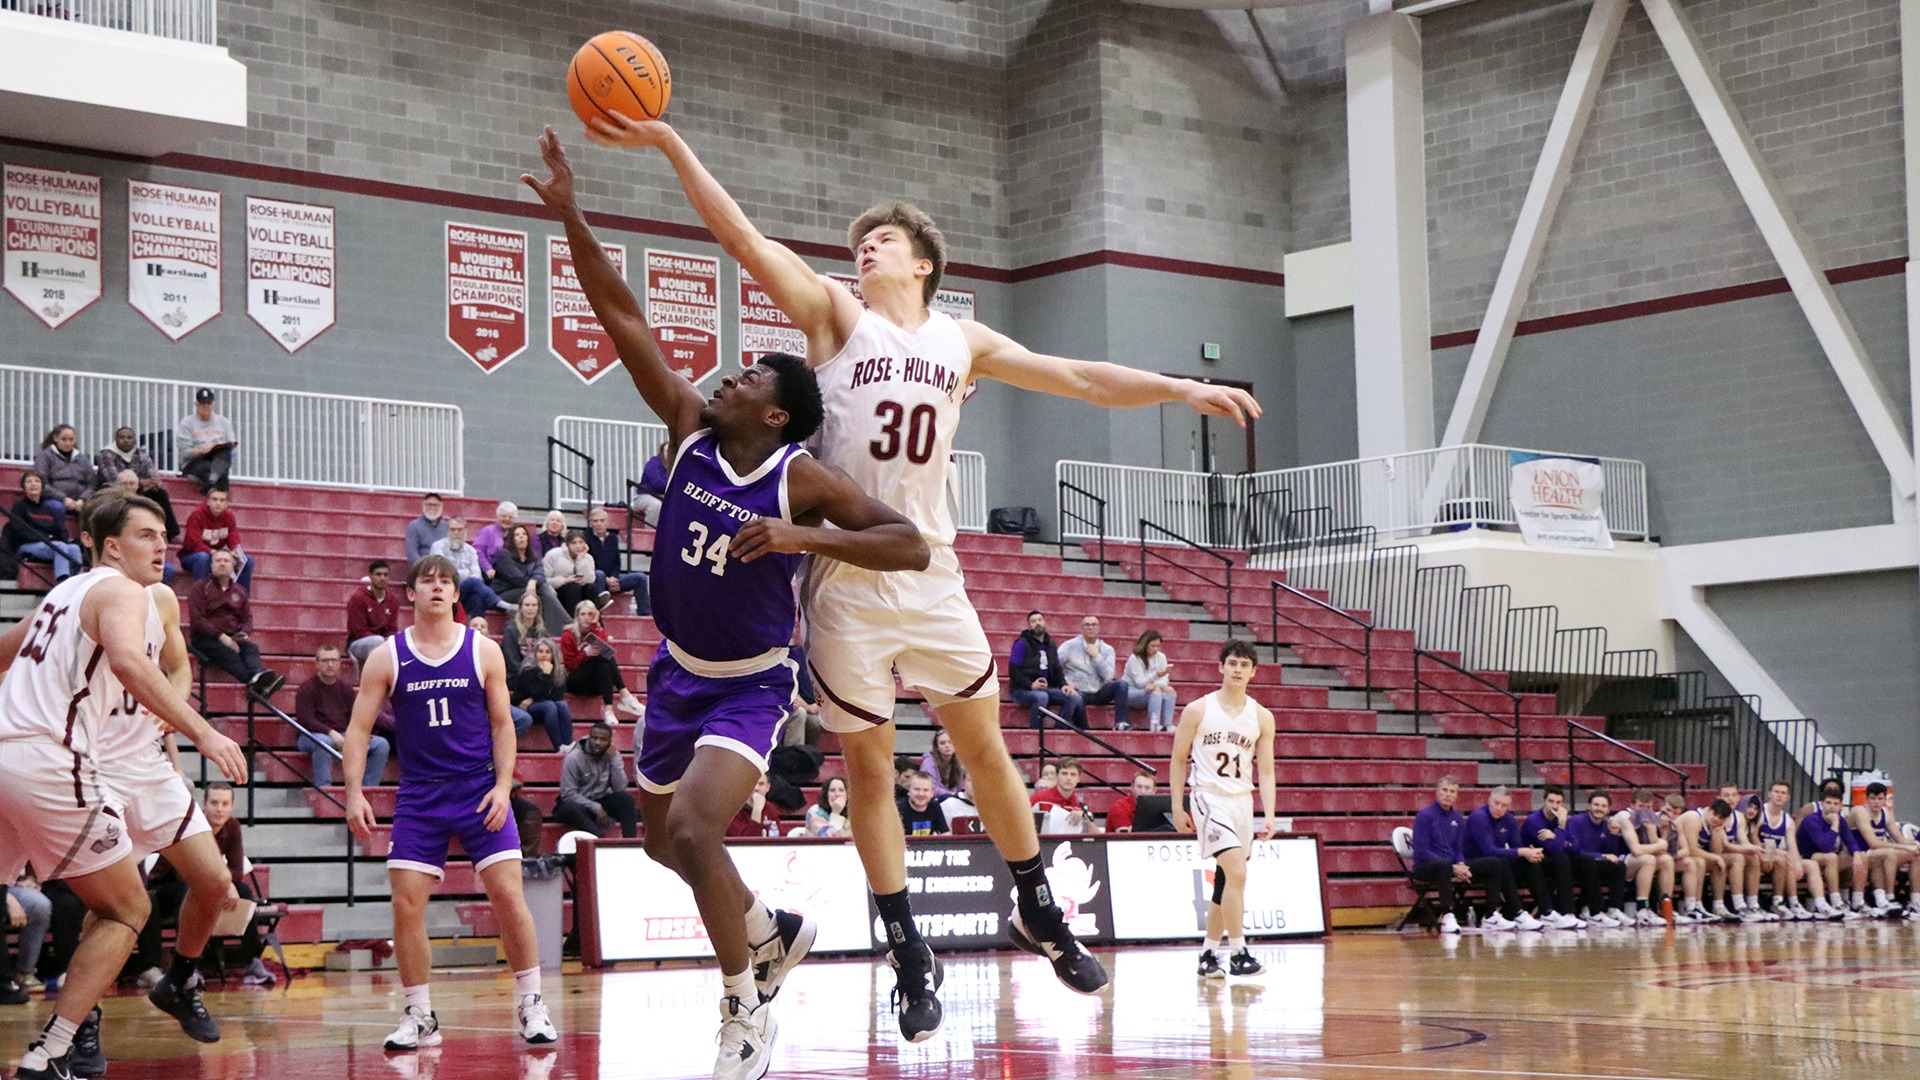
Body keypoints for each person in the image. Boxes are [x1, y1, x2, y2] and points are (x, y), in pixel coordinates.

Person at [584, 116, 1260, 1030]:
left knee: (983, 746)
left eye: (886, 238)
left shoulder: (962, 342)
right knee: (868, 766)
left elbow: (1081, 378)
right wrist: (670, 145)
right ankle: (909, 950)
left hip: (929, 566)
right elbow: (741, 237)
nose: (867, 245)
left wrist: (1180, 387)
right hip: (841, 572)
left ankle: (1039, 909)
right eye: (862, 239)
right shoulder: (833, 313)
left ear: (924, 264)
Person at [527, 131, 939, 1072]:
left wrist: (803, 539)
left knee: (695, 829)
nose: (728, 376)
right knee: (663, 843)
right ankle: (768, 927)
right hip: (676, 671)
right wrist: (570, 217)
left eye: (749, 376)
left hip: (752, 683)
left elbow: (906, 543)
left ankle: (745, 1007)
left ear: (778, 412)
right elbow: (621, 314)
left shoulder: (800, 481)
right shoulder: (689, 435)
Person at [0, 489, 248, 1080]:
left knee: (196, 884)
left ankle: (163, 987)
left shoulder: (62, 595)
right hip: (60, 760)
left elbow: (3, 652)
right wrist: (205, 733)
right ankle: (57, 1046)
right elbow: (133, 665)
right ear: (111, 546)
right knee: (126, 908)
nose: (162, 544)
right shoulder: (119, 591)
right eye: (146, 535)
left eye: (165, 535)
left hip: (19, 754)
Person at [341, 554, 557, 1051]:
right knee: (405, 903)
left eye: (445, 582)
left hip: (478, 786)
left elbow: (504, 725)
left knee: (508, 895)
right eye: (426, 581)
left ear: (457, 595)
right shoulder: (386, 656)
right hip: (420, 792)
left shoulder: (483, 650)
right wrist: (354, 793)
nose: (436, 588)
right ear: (410, 594)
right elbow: (358, 729)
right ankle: (419, 1013)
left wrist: (504, 787)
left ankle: (531, 1002)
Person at [1172, 642, 1284, 975]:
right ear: (1220, 667)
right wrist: (1178, 807)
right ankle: (1238, 954)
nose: (1237, 669)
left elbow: (1266, 770)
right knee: (1237, 871)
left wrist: (1270, 815)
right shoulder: (1198, 709)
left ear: (1254, 671)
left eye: (1244, 664)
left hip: (1241, 802)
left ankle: (1208, 956)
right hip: (1208, 796)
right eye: (1232, 663)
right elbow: (1179, 760)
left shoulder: (1263, 717)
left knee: (1226, 882)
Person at [135, 783, 274, 990]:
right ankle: (188, 966)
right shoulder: (191, 825)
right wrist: (222, 882)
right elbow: (183, 873)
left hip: (204, 883)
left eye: (225, 804)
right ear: (204, 805)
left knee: (244, 892)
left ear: (232, 807)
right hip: (166, 886)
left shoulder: (232, 827)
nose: (219, 809)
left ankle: (253, 962)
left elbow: (237, 869)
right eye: (215, 803)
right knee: (189, 893)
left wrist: (225, 882)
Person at [1408, 775, 1525, 935]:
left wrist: (1461, 863)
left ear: (1456, 795)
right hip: (1425, 866)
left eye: (1452, 791)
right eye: (1444, 790)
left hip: (1451, 865)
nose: (1448, 794)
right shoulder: (1425, 815)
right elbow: (1421, 851)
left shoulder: (1457, 818)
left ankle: (1490, 915)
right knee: (1442, 865)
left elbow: (1458, 849)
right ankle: (1448, 915)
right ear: (1437, 792)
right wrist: (1453, 866)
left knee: (1495, 862)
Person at [187, 550, 284, 699]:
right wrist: (222, 637)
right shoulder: (200, 588)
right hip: (206, 638)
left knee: (251, 648)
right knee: (228, 652)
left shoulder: (240, 591)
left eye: (226, 561)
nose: (221, 564)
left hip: (234, 635)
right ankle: (256, 684)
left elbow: (247, 618)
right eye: (218, 561)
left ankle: (256, 675)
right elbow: (197, 619)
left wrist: (244, 633)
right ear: (211, 566)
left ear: (233, 566)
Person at [1462, 787, 1558, 930]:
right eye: (1496, 803)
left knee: (1527, 862)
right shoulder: (1479, 817)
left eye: (1504, 805)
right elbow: (1489, 850)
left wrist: (1530, 853)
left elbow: (1517, 846)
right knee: (1499, 862)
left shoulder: (1509, 819)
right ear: (1489, 801)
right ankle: (1513, 914)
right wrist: (1521, 851)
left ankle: (1547, 912)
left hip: (1496, 864)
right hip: (1470, 863)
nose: (1499, 808)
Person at [294, 645, 389, 788]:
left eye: (333, 660)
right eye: (325, 661)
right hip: (312, 736)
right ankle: (325, 789)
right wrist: (331, 733)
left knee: (381, 744)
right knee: (324, 742)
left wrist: (362, 734)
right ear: (317, 664)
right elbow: (306, 720)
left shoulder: (345, 688)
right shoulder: (306, 688)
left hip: (343, 734)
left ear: (339, 663)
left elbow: (354, 716)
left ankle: (368, 789)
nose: (330, 665)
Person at [560, 601, 642, 724]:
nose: (586, 617)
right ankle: (624, 696)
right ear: (577, 616)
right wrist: (585, 654)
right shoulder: (568, 635)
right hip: (575, 681)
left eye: (590, 614)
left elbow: (606, 651)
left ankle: (610, 710)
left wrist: (594, 626)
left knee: (604, 658)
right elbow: (570, 665)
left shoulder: (597, 630)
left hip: (597, 682)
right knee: (603, 658)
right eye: (583, 614)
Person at [1847, 781, 1920, 917]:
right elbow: (1873, 843)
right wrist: (1904, 847)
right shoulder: (1860, 811)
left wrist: (1914, 844)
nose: (1876, 802)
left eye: (1880, 799)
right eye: (1873, 798)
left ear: (1884, 800)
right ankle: (1890, 897)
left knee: (1916, 854)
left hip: (1878, 856)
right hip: (1859, 855)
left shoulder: (1886, 813)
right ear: (1866, 799)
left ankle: (1916, 903)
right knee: (1889, 853)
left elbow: (1899, 838)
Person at [554, 723, 636, 838]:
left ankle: (630, 842)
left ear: (609, 742)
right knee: (571, 808)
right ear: (589, 737)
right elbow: (568, 794)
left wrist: (614, 761)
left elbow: (620, 788)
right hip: (574, 804)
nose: (597, 742)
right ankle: (599, 840)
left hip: (599, 800)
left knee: (626, 798)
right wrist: (596, 807)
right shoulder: (573, 758)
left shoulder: (613, 756)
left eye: (603, 739)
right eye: (594, 738)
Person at [1518, 789, 1586, 929]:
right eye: (1551, 801)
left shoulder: (1567, 819)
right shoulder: (1534, 820)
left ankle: (1569, 913)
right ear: (1544, 802)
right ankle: (1548, 913)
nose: (1554, 806)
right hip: (1528, 862)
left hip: (1551, 861)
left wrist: (1555, 836)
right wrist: (1561, 827)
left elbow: (1576, 848)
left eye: (1558, 802)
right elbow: (1554, 849)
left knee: (1574, 861)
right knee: (1561, 859)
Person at [94, 427, 177, 540]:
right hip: (111, 492)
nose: (126, 440)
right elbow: (113, 478)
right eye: (122, 437)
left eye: (129, 437)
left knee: (159, 493)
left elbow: (152, 472)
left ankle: (171, 533)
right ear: (116, 439)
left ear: (134, 440)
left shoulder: (140, 453)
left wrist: (154, 482)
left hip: (136, 490)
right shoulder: (106, 454)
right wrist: (141, 482)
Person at [1566, 790, 1631, 927]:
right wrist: (1600, 856)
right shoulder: (1575, 821)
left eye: (1603, 806)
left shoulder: (1607, 825)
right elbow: (1575, 850)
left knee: (1619, 865)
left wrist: (1613, 836)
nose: (1599, 809)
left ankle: (1614, 909)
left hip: (1594, 865)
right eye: (1596, 805)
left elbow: (1612, 853)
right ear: (1589, 805)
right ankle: (1596, 912)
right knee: (1589, 863)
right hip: (1574, 863)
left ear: (1608, 809)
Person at [1009, 612, 1083, 729]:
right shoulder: (1021, 644)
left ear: (1045, 623)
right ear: (1029, 626)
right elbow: (1013, 671)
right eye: (1033, 622)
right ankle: (1036, 734)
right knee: (1041, 697)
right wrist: (1031, 685)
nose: (1037, 623)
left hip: (1046, 688)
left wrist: (1064, 685)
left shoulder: (1051, 644)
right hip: (1021, 690)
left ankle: (1058, 733)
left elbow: (1057, 669)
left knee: (1074, 697)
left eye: (1040, 620)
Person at [1057, 615, 1132, 731]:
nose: (1090, 628)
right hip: (1078, 690)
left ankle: (1121, 723)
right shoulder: (1069, 646)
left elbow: (1109, 676)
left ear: (1099, 628)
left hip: (1099, 690)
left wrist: (1097, 656)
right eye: (1087, 625)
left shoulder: (1107, 649)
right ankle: (1084, 730)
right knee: (1076, 698)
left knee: (1122, 684)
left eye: (1093, 625)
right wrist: (1066, 682)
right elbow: (1055, 666)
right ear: (1081, 628)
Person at [1795, 788, 1860, 920]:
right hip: (1806, 858)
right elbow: (1824, 846)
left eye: (1836, 804)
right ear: (1822, 804)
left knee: (1853, 857)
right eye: (1828, 803)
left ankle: (1856, 901)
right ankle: (1836, 902)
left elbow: (1851, 842)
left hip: (1824, 860)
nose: (1832, 807)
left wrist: (1857, 855)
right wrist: (1835, 824)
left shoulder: (1842, 821)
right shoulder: (1811, 820)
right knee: (1830, 857)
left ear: (1841, 806)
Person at [492, 523, 570, 633]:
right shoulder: (504, 555)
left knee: (541, 591)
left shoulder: (534, 555)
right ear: (511, 539)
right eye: (517, 535)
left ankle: (549, 630)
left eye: (524, 534)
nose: (521, 537)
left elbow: (540, 573)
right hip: (504, 594)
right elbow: (517, 578)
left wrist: (534, 581)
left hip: (530, 590)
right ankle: (565, 623)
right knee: (542, 589)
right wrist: (536, 582)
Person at [1753, 781, 1815, 921]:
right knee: (1783, 859)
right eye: (1776, 792)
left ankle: (1796, 903)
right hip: (1758, 854)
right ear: (1769, 794)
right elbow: (1753, 836)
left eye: (1783, 793)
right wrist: (1768, 853)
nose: (1779, 796)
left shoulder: (1787, 820)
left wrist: (1797, 862)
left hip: (1774, 855)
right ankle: (1776, 901)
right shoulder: (1761, 813)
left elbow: (1792, 846)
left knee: (1799, 862)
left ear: (1787, 797)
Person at [1670, 798, 1737, 923]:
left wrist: (1717, 831)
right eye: (1715, 814)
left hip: (1683, 857)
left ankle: (1718, 905)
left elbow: (1717, 852)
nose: (1716, 819)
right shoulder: (1694, 818)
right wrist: (1716, 857)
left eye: (1721, 818)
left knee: (1715, 864)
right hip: (1671, 856)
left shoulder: (1713, 825)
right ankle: (1692, 905)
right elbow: (1691, 849)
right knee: (1700, 861)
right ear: (1709, 810)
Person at [1611, 792, 1674, 927]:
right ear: (1632, 805)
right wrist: (1660, 844)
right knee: (1648, 859)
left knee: (1666, 860)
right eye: (1641, 806)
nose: (1644, 810)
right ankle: (1642, 909)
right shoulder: (1624, 816)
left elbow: (1661, 850)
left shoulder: (1651, 818)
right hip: (1617, 862)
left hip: (1634, 861)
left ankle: (1667, 908)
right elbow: (1636, 850)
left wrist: (1653, 832)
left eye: (1648, 807)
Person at [6, 475, 84, 580]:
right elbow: (19, 531)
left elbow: (60, 530)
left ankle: (79, 581)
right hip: (27, 545)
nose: (33, 484)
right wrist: (47, 539)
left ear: (42, 486)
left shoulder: (49, 508)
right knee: (60, 546)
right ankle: (63, 581)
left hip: (50, 544)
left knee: (74, 548)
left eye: (37, 481)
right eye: (29, 481)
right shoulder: (19, 507)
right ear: (24, 487)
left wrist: (59, 539)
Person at [433, 516, 511, 617]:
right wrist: (467, 573)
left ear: (465, 530)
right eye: (453, 529)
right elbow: (445, 574)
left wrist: (461, 574)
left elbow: (477, 576)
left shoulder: (471, 551)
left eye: (459, 529)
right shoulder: (437, 547)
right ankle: (498, 603)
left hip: (463, 592)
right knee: (472, 582)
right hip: (445, 589)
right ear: (448, 531)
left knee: (477, 599)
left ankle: (476, 630)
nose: (456, 533)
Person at [179, 488, 253, 591]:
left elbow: (233, 536)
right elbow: (195, 543)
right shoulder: (197, 515)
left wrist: (235, 551)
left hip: (216, 555)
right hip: (192, 555)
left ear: (227, 504)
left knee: (248, 560)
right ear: (208, 501)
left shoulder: (229, 516)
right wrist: (213, 552)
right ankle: (202, 594)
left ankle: (240, 596)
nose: (218, 503)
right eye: (214, 499)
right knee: (203, 558)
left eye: (222, 500)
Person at [583, 507, 650, 616]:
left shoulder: (613, 538)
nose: (599, 524)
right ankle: (598, 613)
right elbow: (587, 564)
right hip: (596, 578)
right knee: (599, 574)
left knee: (641, 578)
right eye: (595, 521)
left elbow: (616, 563)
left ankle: (644, 613)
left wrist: (614, 578)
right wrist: (606, 579)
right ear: (590, 523)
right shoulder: (585, 537)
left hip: (613, 577)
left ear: (607, 522)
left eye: (602, 520)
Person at [511, 640, 575, 753]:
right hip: (525, 708)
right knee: (549, 706)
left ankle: (568, 744)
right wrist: (545, 675)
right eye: (540, 651)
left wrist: (533, 698)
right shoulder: (528, 670)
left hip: (542, 706)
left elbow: (558, 696)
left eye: (547, 652)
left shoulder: (558, 672)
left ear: (553, 655)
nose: (543, 655)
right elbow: (536, 693)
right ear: (535, 654)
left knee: (562, 705)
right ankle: (559, 746)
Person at [176, 389, 236, 494]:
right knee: (219, 473)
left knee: (223, 456)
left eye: (208, 403)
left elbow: (233, 449)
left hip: (217, 460)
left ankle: (211, 482)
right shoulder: (187, 423)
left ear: (213, 404)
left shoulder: (224, 422)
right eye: (203, 404)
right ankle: (217, 486)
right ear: (197, 404)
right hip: (195, 461)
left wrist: (215, 446)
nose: (206, 407)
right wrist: (201, 451)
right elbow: (184, 453)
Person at [346, 559, 404, 667]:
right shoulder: (358, 598)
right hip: (358, 643)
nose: (382, 578)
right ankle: (375, 678)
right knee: (378, 641)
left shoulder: (394, 599)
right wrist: (384, 642)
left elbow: (392, 628)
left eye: (385, 575)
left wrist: (390, 640)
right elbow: (359, 631)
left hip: (383, 642)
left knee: (402, 642)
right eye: (378, 574)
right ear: (371, 576)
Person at [34, 424, 96, 523]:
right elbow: (42, 484)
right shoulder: (45, 457)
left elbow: (92, 484)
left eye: (71, 439)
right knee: (57, 508)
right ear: (55, 438)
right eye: (64, 439)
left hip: (80, 501)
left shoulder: (82, 459)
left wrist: (82, 500)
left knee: (96, 510)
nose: (68, 443)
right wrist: (63, 499)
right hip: (54, 500)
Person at [5, 877, 52, 1003]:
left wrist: (34, 878)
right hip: (4, 887)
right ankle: (4, 978)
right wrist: (6, 898)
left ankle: (24, 972)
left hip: (15, 885)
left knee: (39, 904)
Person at [543, 530, 609, 615]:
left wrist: (580, 560)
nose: (578, 546)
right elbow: (543, 580)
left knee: (589, 588)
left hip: (577, 592)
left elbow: (589, 581)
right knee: (573, 587)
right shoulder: (553, 555)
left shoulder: (588, 558)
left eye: (581, 542)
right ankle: (572, 621)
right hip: (556, 592)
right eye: (574, 543)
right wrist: (565, 580)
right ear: (567, 544)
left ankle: (596, 622)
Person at [1125, 629, 1176, 733]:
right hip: (1132, 692)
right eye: (1153, 646)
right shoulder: (1135, 658)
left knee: (1169, 690)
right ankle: (1154, 723)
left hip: (1151, 690)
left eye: (1158, 646)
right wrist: (1156, 675)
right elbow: (1139, 683)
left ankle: (1168, 724)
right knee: (1156, 690)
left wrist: (1155, 683)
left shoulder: (1161, 657)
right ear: (1145, 645)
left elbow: (1165, 681)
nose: (1156, 649)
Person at [1029, 757, 1096, 834]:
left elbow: (1097, 837)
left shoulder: (1082, 805)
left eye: (1073, 775)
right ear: (1057, 776)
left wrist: (1085, 817)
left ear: (1078, 779)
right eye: (1064, 773)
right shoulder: (1038, 799)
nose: (1068, 778)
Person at [500, 590, 546, 677]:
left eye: (534, 605)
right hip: (515, 675)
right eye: (527, 605)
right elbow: (512, 662)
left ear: (538, 608)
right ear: (520, 608)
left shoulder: (542, 631)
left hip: (536, 674)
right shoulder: (511, 630)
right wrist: (531, 673)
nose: (530, 608)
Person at [472, 501, 517, 578]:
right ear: (497, 516)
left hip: (511, 572)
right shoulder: (487, 531)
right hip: (491, 573)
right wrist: (487, 568)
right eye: (504, 516)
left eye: (510, 517)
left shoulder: (517, 533)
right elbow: (478, 551)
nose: (507, 519)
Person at [632, 441, 669, 528]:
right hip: (645, 495)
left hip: (666, 496)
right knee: (656, 505)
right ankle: (651, 534)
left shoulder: (680, 465)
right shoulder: (654, 463)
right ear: (662, 452)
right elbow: (658, 484)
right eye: (667, 451)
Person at [404, 493, 448, 567]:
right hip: (422, 569)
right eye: (429, 505)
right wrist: (426, 568)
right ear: (423, 506)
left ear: (441, 507)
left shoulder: (447, 526)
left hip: (443, 569)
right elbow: (412, 553)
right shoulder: (414, 526)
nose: (432, 508)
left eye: (435, 505)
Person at [919, 728, 964, 800]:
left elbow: (961, 786)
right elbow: (929, 786)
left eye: (950, 742)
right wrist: (952, 795)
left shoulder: (960, 762)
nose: (947, 745)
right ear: (937, 747)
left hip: (954, 799)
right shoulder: (929, 762)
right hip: (935, 800)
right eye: (942, 743)